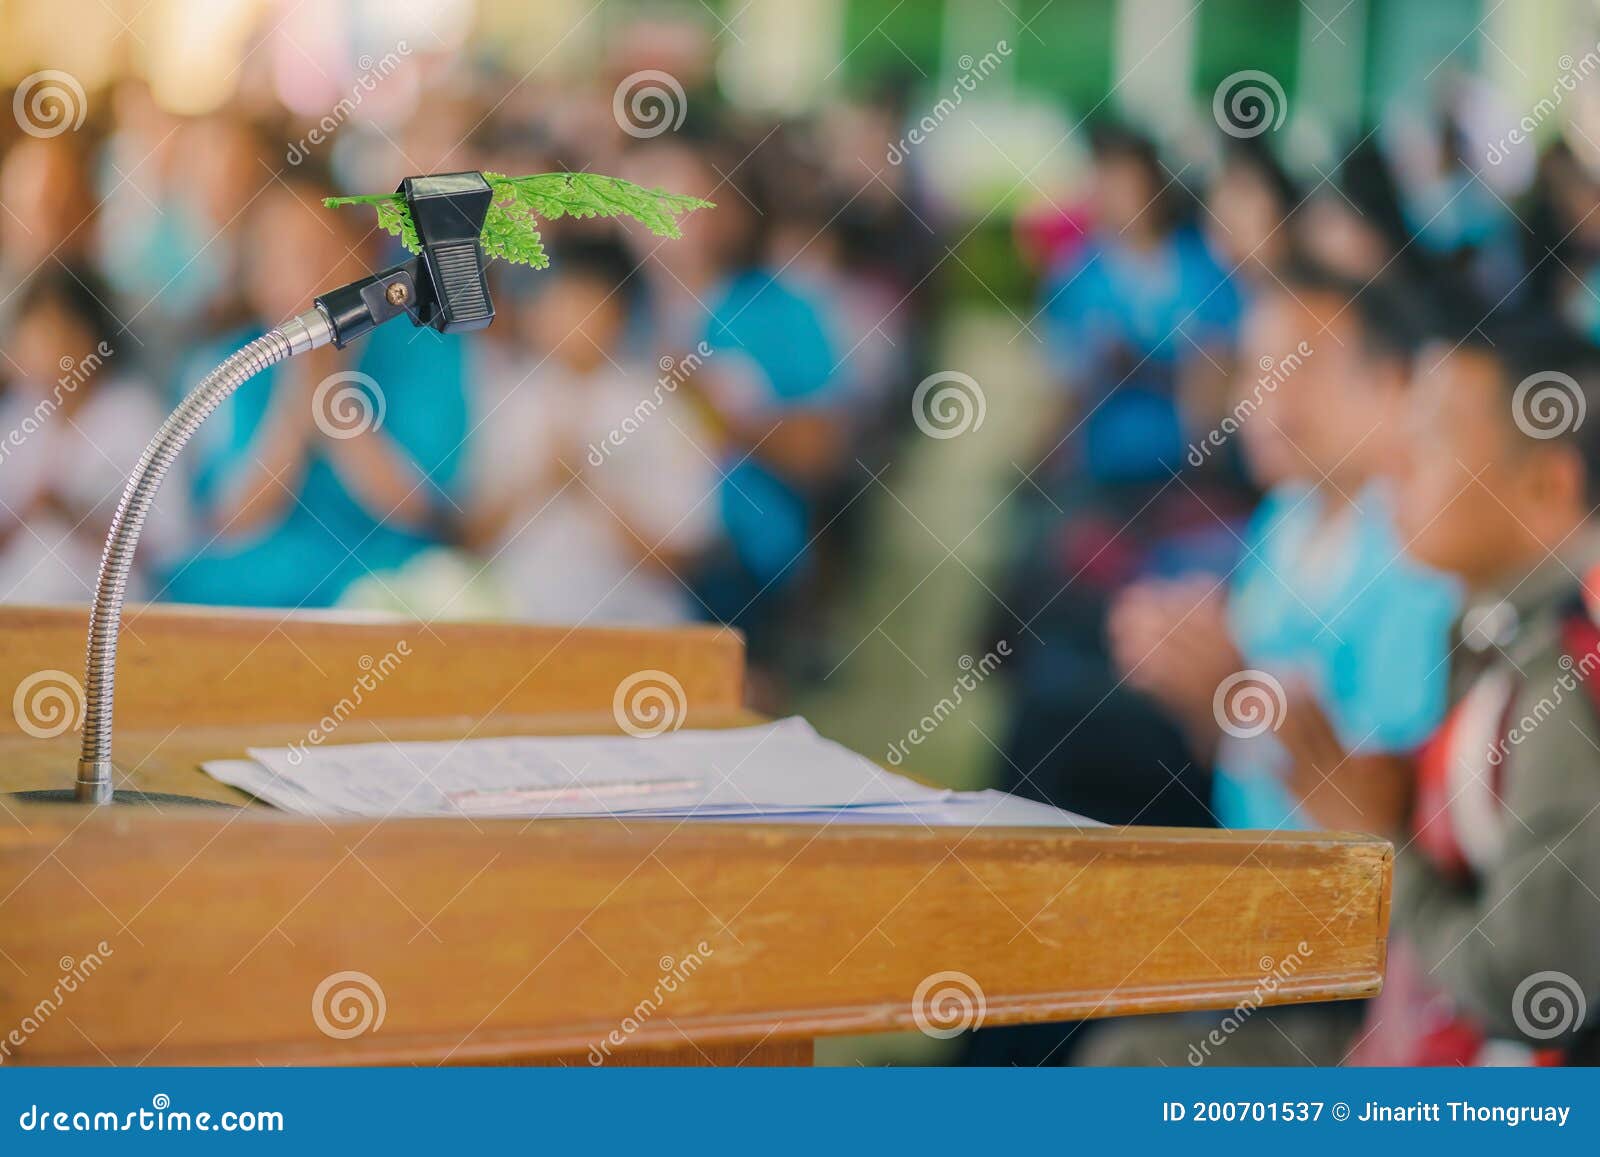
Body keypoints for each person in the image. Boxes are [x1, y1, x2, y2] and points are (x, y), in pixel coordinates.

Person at [1292, 318, 1600, 1065]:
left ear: (1546, 482)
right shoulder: (1495, 630)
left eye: (1429, 438)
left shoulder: (1564, 679)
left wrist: (1381, 839)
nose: (1391, 462)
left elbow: (1533, 984)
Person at [160, 178, 469, 609]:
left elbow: (421, 508)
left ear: (362, 257)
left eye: (318, 255)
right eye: (280, 260)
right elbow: (229, 520)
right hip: (259, 578)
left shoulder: (422, 350)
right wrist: (297, 385)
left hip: (384, 574)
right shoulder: (228, 362)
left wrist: (331, 391)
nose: (305, 278)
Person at [460, 238, 718, 624]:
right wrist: (543, 477)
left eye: (585, 303)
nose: (569, 319)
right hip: (518, 617)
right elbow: (469, 535)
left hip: (637, 622)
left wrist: (590, 484)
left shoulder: (660, 404)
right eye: (556, 303)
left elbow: (685, 555)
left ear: (620, 311)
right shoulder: (503, 397)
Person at [0, 269, 184, 604]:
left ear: (88, 335)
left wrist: (73, 514)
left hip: (112, 611)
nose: (41, 349)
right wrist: (28, 510)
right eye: (33, 335)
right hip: (19, 604)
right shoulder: (20, 413)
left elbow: (169, 541)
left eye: (55, 333)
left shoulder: (134, 413)